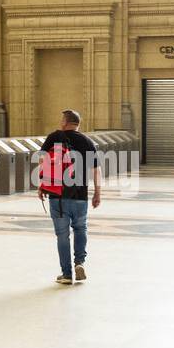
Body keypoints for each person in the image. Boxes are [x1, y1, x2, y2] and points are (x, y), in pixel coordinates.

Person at [38, 109, 101, 285]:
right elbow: (96, 169)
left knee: (62, 235)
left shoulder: (54, 137)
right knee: (81, 228)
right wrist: (97, 192)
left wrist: (42, 186)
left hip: (57, 195)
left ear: (65, 122)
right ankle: (79, 263)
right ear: (78, 124)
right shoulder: (87, 141)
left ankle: (66, 274)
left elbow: (42, 161)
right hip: (80, 194)